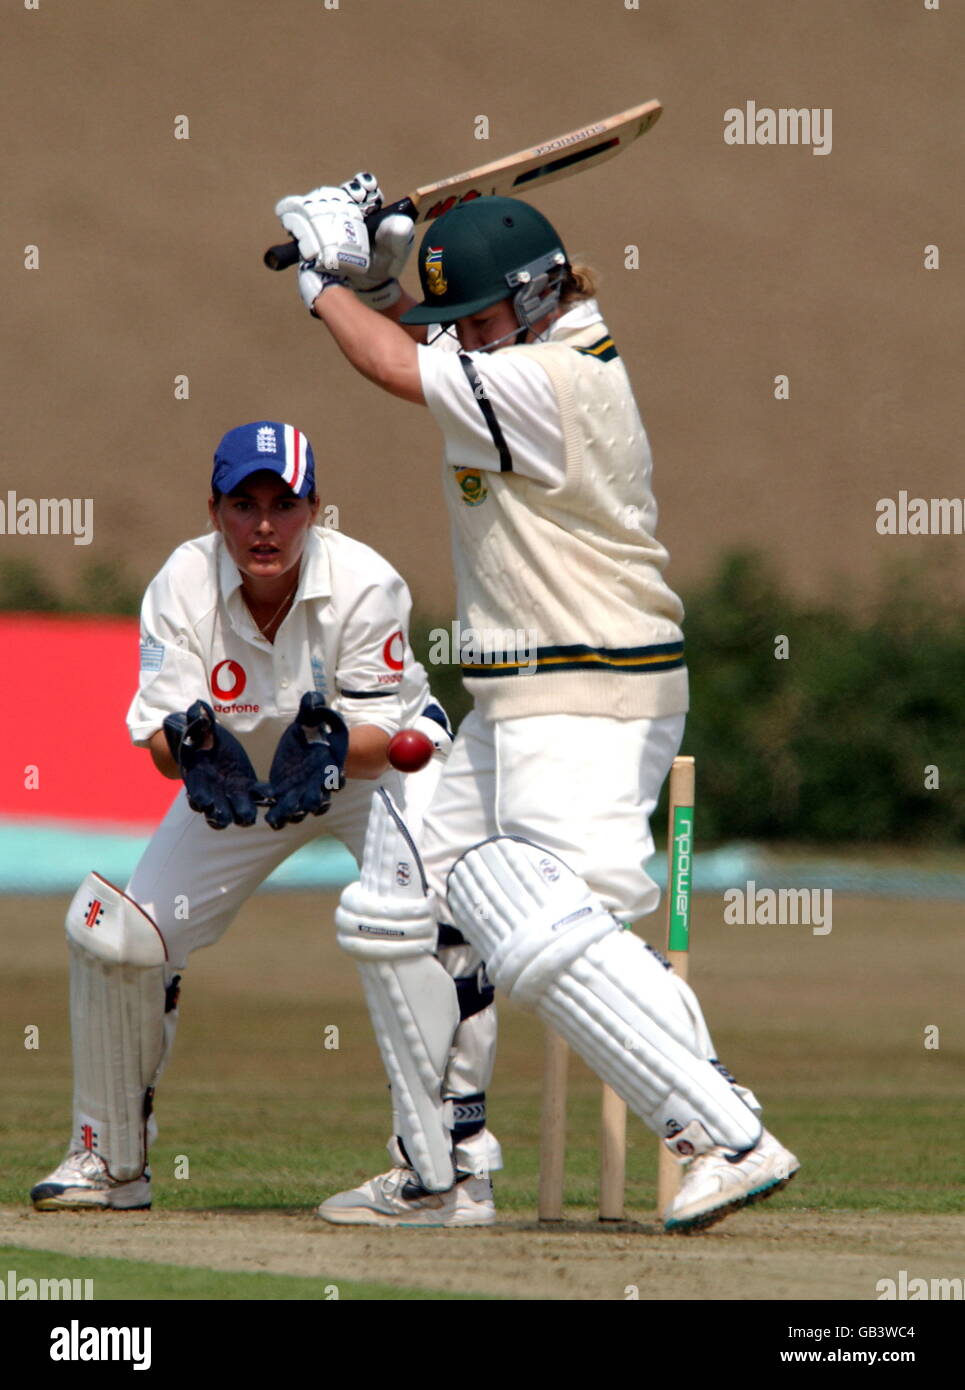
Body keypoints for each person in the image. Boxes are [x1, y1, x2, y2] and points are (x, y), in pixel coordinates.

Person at [270, 179, 800, 1232]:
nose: (463, 334)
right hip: (513, 696)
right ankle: (441, 1171)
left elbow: (389, 363)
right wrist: (393, 266)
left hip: (593, 688)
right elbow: (417, 341)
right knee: (393, 896)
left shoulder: (550, 379)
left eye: (473, 312)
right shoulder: (513, 354)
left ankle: (722, 1129)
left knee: (536, 913)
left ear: (536, 292)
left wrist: (326, 284)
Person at [29, 420, 499, 1225]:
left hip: (368, 768)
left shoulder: (364, 582)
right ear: (214, 511)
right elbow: (158, 744)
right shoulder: (180, 582)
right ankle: (111, 1160)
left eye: (283, 504)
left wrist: (331, 752)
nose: (264, 525)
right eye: (243, 505)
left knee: (427, 918)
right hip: (243, 780)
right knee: (118, 936)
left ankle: (448, 1169)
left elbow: (400, 739)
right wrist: (188, 749)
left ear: (314, 508)